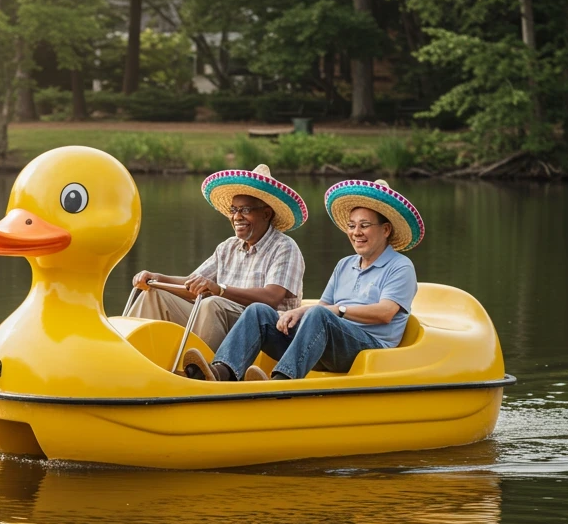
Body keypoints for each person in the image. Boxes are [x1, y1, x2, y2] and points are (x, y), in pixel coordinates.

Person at [183, 179, 424, 382]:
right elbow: (322, 307)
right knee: (259, 311)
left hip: (368, 345)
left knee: (320, 315)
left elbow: (385, 313)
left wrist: (336, 311)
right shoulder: (345, 264)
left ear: (386, 230)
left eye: (364, 226)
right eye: (351, 226)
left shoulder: (400, 266)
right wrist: (297, 313)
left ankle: (281, 381)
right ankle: (221, 371)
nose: (356, 232)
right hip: (328, 340)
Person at [129, 164, 308, 353]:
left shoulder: (285, 247)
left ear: (266, 213)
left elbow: (271, 298)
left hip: (264, 328)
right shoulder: (227, 247)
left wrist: (219, 290)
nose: (237, 216)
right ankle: (131, 356)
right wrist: (157, 279)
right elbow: (193, 285)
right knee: (155, 295)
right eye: (233, 210)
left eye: (245, 210)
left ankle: (199, 371)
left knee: (212, 303)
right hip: (218, 318)